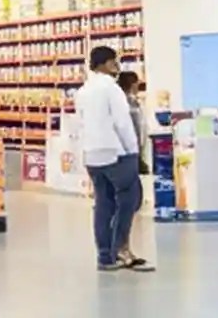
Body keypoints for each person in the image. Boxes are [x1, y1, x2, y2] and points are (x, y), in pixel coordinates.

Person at [80, 46, 145, 272]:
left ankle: (104, 257)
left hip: (92, 154)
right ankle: (121, 248)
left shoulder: (83, 90)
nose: (117, 66)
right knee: (128, 201)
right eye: (114, 62)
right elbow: (122, 123)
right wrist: (133, 151)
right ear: (106, 64)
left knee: (103, 204)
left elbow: (82, 122)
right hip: (116, 153)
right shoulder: (112, 89)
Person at [114, 70, 155, 271]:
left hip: (131, 155)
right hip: (127, 156)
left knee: (132, 201)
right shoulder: (126, 104)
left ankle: (121, 247)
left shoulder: (132, 103)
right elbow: (131, 131)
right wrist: (136, 155)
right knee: (128, 201)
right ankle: (120, 248)